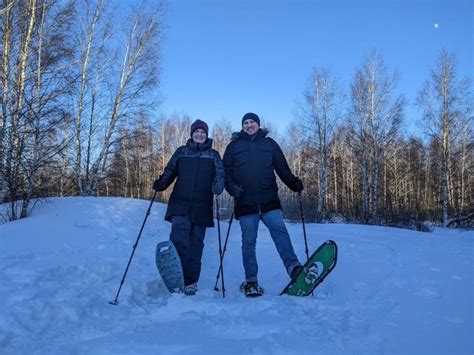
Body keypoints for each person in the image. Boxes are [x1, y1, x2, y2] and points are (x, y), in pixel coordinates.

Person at [223, 112, 305, 297]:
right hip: (245, 204)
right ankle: (251, 281)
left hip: (269, 201)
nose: (249, 125)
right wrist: (232, 189)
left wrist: (294, 184)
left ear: (259, 125)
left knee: (280, 234)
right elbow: (225, 171)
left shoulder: (270, 144)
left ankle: (294, 268)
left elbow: (282, 168)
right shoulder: (234, 146)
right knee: (248, 242)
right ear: (242, 126)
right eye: (246, 122)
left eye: (252, 122)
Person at [153, 119, 224, 296]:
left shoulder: (213, 154)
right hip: (180, 204)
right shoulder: (181, 152)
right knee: (179, 240)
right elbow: (170, 170)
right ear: (192, 134)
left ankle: (191, 282)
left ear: (207, 135)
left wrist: (218, 186)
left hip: (202, 206)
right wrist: (162, 183)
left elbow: (220, 175)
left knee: (196, 245)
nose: (199, 135)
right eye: (196, 132)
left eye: (203, 132)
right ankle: (176, 279)